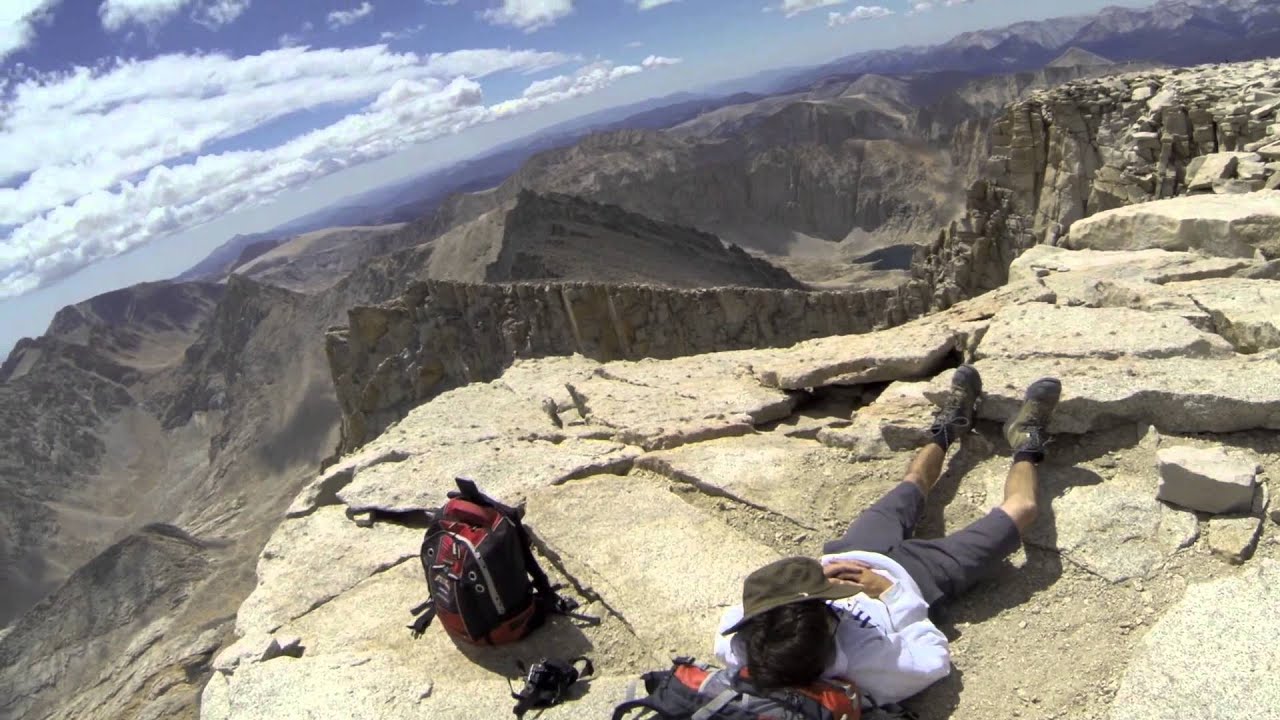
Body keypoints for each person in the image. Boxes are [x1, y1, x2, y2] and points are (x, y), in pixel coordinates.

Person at [714, 365, 1062, 709]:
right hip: (920, 576)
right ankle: (1026, 442)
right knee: (1022, 509)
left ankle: (947, 428)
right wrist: (891, 594)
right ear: (829, 627)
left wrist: (818, 580)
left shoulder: (743, 648)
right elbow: (934, 660)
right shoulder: (870, 666)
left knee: (912, 484)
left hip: (854, 551)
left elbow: (731, 620)